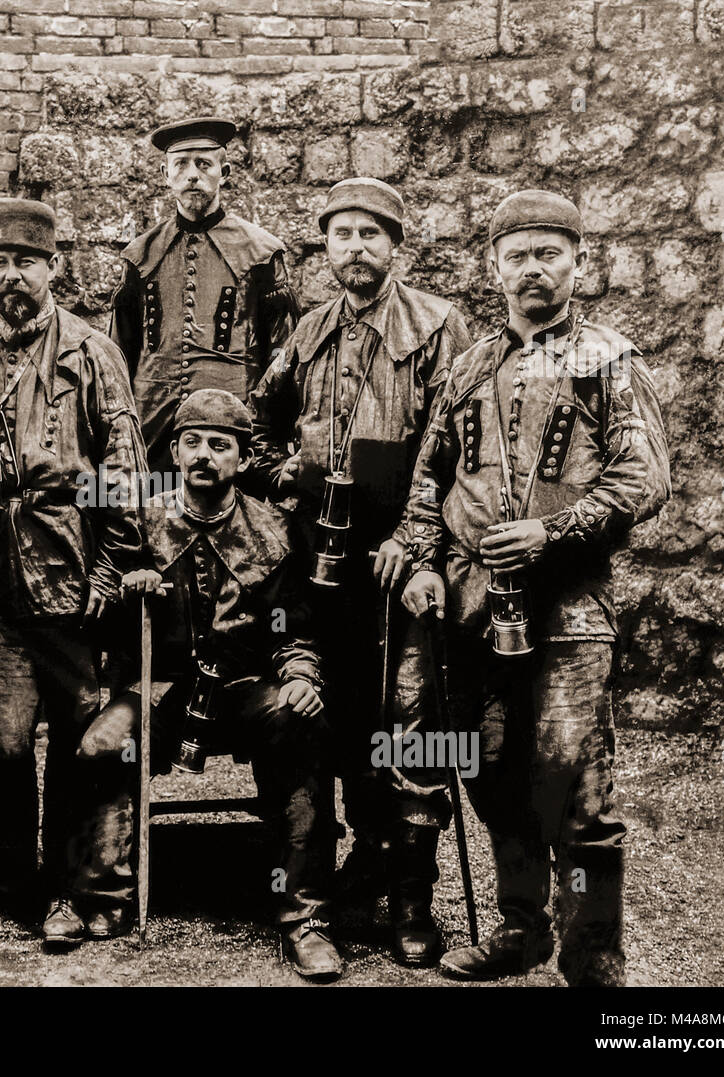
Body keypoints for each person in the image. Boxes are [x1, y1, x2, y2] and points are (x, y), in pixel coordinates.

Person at [399, 189, 670, 986]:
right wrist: (420, 563)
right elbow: (427, 482)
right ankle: (521, 931)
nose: (533, 270)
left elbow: (644, 476)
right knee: (489, 769)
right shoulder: (469, 366)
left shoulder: (608, 362)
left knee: (574, 782)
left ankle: (592, 956)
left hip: (569, 609)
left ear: (579, 263)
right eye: (517, 255)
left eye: (549, 253)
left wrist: (552, 531)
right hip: (475, 609)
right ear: (494, 267)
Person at [249, 178, 473, 965]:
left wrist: (415, 541)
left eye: (370, 234)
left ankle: (411, 905)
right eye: (340, 234)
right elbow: (260, 421)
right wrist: (285, 477)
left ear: (395, 245)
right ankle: (313, 905)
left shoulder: (440, 327)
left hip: (400, 564)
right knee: (317, 715)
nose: (355, 248)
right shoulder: (307, 330)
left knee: (408, 728)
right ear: (326, 247)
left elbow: (453, 450)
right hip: (319, 556)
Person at [0, 197, 148, 949]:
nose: (11, 276)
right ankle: (9, 879)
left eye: (26, 261)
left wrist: (111, 566)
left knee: (77, 740)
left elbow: (123, 470)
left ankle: (67, 889)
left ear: (53, 268)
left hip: (73, 573)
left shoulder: (92, 353)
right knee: (4, 738)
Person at [78, 389, 342, 981]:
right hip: (161, 686)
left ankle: (305, 918)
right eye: (192, 443)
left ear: (242, 459)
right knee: (100, 746)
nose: (204, 455)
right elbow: (101, 626)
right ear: (174, 451)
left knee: (303, 725)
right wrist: (129, 592)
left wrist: (300, 674)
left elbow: (293, 628)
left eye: (219, 446)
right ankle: (105, 896)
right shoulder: (139, 521)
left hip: (244, 686)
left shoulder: (274, 531)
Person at [109, 116, 299, 479]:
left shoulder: (261, 253)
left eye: (204, 164)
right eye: (181, 164)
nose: (192, 174)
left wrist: (274, 432)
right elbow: (117, 353)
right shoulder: (140, 256)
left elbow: (284, 355)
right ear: (166, 175)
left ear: (223, 172)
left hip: (233, 423)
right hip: (152, 425)